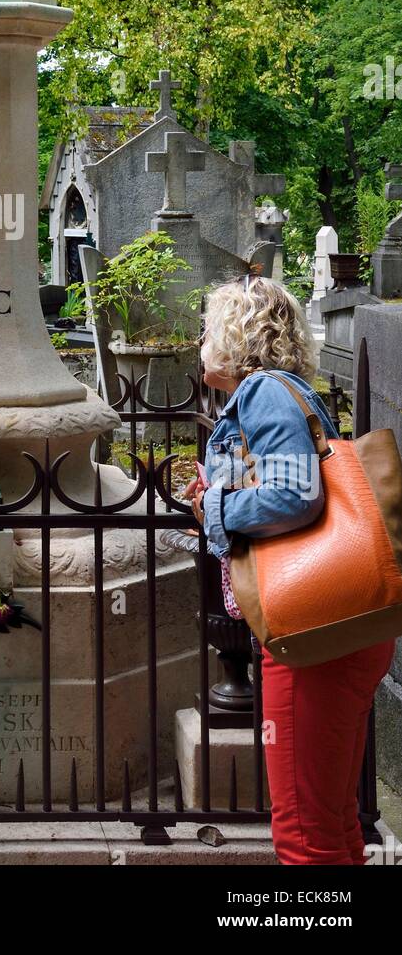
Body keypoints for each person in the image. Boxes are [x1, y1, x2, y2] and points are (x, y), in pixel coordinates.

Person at [186, 273, 395, 865]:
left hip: (312, 637)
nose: (201, 337)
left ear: (235, 335)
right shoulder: (283, 394)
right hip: (337, 629)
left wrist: (216, 508)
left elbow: (294, 495)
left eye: (209, 326)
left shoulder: (262, 393)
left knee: (304, 835)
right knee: (331, 826)